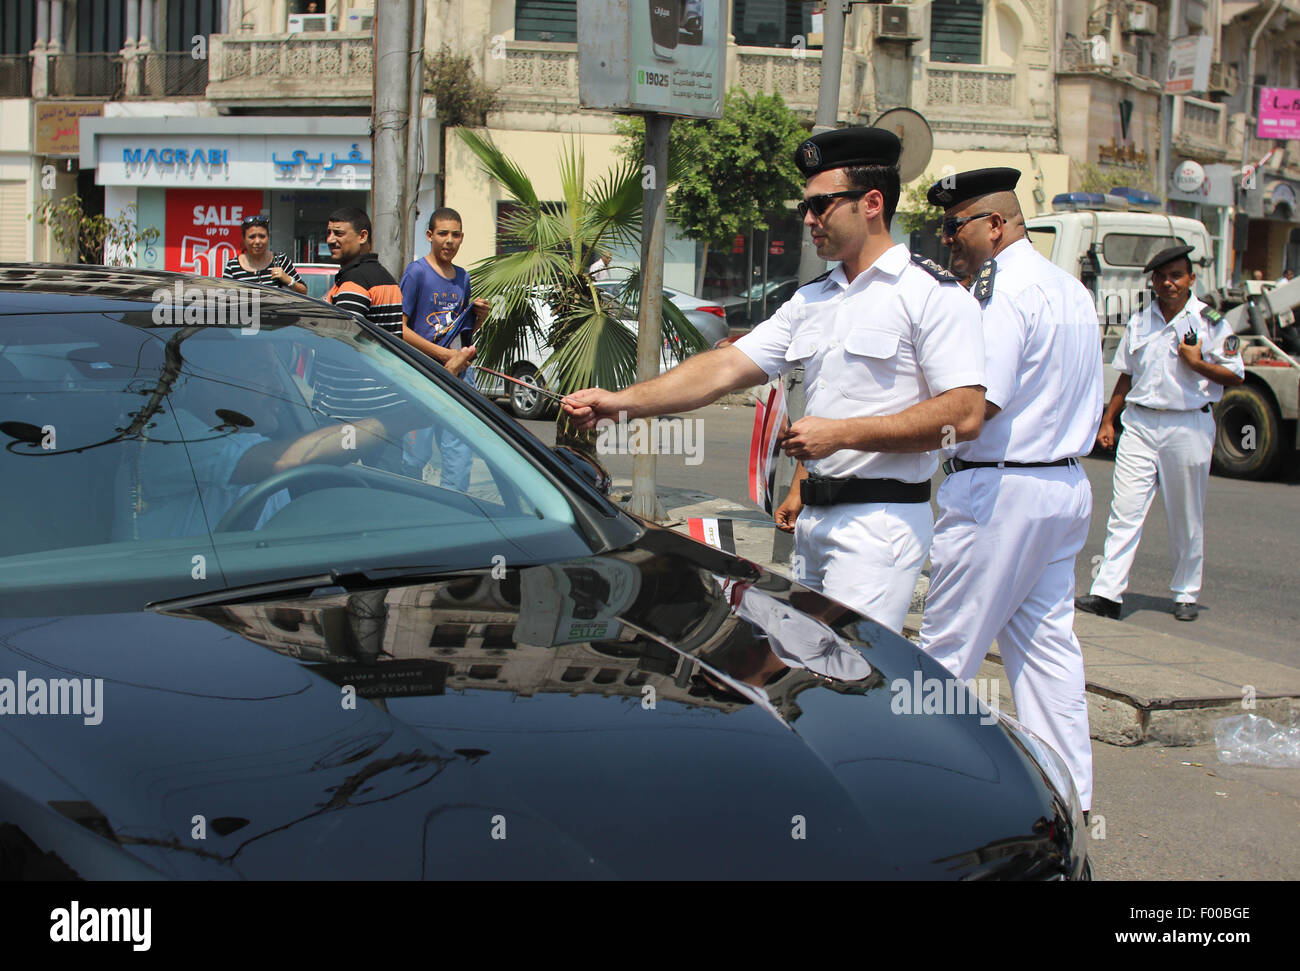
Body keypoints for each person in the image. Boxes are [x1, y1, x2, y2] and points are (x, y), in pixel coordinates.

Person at [563, 127, 986, 633]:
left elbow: (964, 413)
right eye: (806, 206)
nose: (808, 219)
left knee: (848, 672)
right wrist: (620, 403)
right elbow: (725, 367)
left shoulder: (930, 294)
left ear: (872, 202)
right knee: (800, 667)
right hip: (813, 520)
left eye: (822, 205)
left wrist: (843, 433)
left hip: (880, 522)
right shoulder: (812, 299)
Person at [917, 168, 1104, 814]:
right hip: (1062, 486)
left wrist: (882, 437)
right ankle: (1071, 802)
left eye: (956, 226)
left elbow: (977, 407)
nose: (948, 241)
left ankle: (916, 798)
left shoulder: (999, 294)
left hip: (1001, 494)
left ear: (996, 225)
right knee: (1049, 653)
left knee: (941, 657)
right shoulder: (1069, 290)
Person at [1077, 244, 1246, 623]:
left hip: (1187, 424)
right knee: (1125, 511)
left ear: (1190, 280)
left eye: (1175, 276)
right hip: (1139, 423)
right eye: (1161, 277)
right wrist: (1109, 419)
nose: (1168, 283)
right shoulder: (1141, 319)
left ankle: (1186, 592)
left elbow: (1235, 373)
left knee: (1186, 514)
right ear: (1153, 281)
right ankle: (1107, 592)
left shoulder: (1210, 321)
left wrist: (1197, 362)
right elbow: (1126, 373)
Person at [399, 208, 490, 489]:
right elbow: (400, 330)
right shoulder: (417, 274)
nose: (449, 240)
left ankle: (455, 508)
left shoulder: (463, 277)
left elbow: (460, 334)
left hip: (460, 376)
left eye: (455, 234)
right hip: (422, 374)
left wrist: (480, 318)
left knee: (459, 453)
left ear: (462, 238)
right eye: (442, 234)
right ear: (429, 236)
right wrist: (441, 356)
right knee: (415, 454)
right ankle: (408, 504)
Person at [324, 207, 404, 336]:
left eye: (338, 233)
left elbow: (343, 338)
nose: (330, 240)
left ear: (362, 236)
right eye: (329, 233)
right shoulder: (384, 276)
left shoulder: (355, 281)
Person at [222, 215, 308, 294]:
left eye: (262, 236)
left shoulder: (280, 260)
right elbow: (223, 298)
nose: (257, 241)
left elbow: (304, 291)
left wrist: (288, 280)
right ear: (244, 239)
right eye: (252, 237)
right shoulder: (233, 266)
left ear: (268, 237)